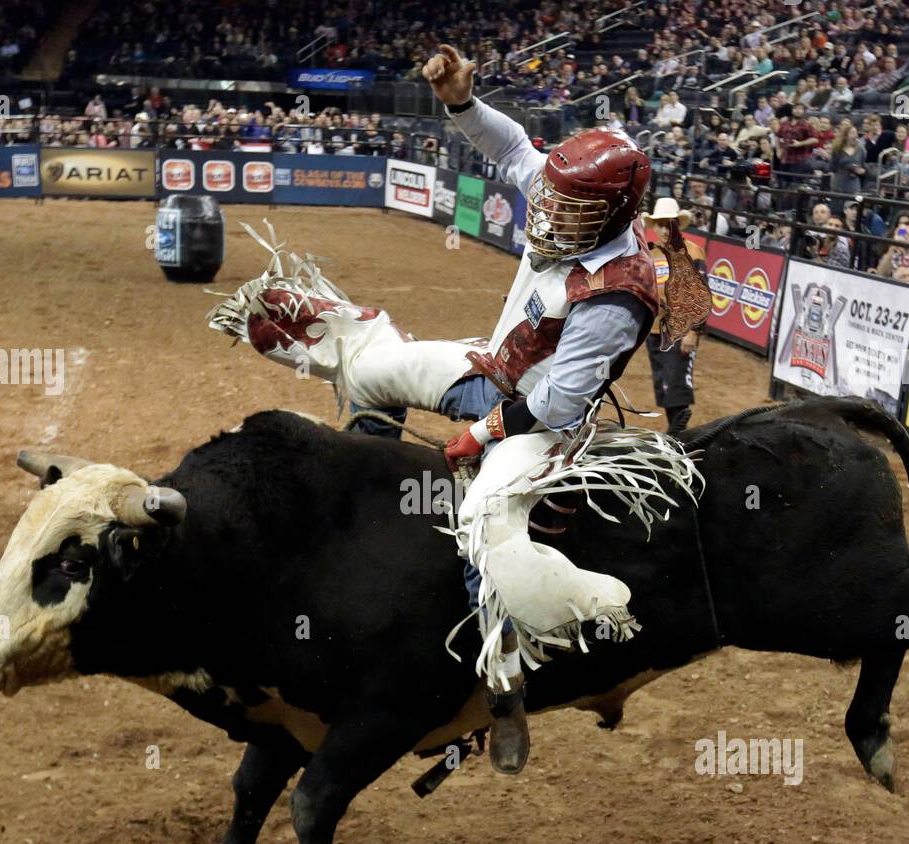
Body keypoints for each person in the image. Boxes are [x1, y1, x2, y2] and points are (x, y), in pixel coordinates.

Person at [208, 45, 689, 775]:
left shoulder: (618, 294)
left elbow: (559, 403)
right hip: (489, 364)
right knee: (369, 373)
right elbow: (516, 148)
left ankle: (501, 684)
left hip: (543, 423)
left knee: (488, 524)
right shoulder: (573, 200)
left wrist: (479, 435)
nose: (547, 211)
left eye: (568, 207)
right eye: (551, 198)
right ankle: (357, 500)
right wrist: (462, 102)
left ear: (611, 213)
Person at [642, 198, 708, 433]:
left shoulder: (692, 252)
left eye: (667, 224)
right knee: (664, 386)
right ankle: (676, 432)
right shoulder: (651, 253)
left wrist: (693, 333)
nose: (662, 229)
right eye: (658, 224)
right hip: (655, 331)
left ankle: (679, 435)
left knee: (676, 386)